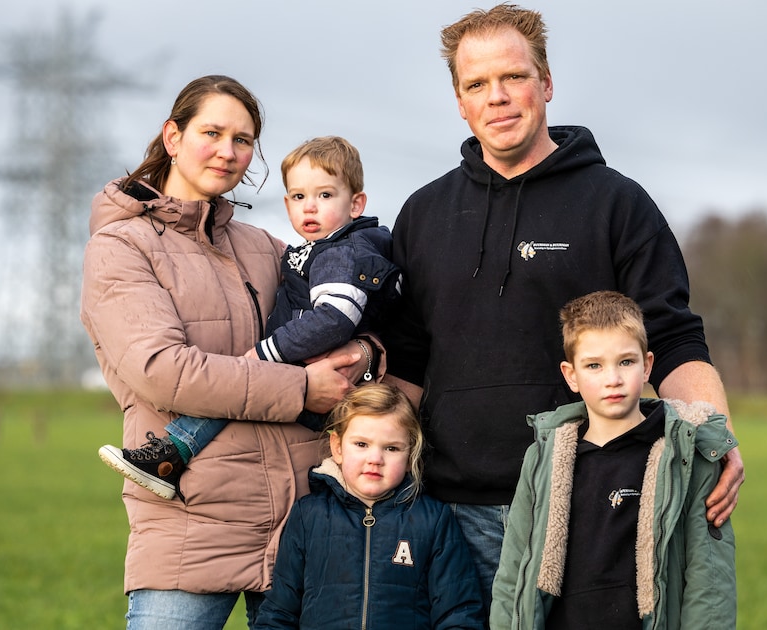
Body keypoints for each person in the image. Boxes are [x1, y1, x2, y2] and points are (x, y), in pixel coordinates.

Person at [381, 3, 745, 605]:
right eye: (477, 84)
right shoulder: (422, 214)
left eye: (513, 77)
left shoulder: (617, 205)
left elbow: (674, 339)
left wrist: (718, 434)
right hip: (448, 514)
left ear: (546, 83)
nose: (497, 97)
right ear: (459, 101)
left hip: (584, 505)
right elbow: (409, 362)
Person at [80, 75, 371, 629]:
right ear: (172, 136)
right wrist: (303, 389)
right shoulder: (120, 247)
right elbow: (164, 373)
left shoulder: (266, 247)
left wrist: (365, 353)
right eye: (212, 132)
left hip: (299, 526)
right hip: (190, 526)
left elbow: (350, 309)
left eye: (243, 140)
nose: (228, 151)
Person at [98, 135, 401, 500]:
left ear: (356, 204)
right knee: (238, 386)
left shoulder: (342, 251)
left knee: (240, 382)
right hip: (293, 389)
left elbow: (334, 319)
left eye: (325, 196)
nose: (310, 208)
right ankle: (171, 455)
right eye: (300, 197)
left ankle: (171, 454)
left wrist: (268, 353)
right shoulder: (305, 250)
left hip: (316, 380)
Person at [490, 291, 737, 628]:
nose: (613, 379)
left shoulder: (684, 455)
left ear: (647, 364)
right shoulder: (543, 458)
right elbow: (512, 570)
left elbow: (709, 581)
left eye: (626, 362)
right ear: (571, 374)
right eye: (594, 365)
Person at [252, 383, 484, 629]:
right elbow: (279, 613)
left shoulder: (434, 519)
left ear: (410, 456)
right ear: (337, 447)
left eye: (391, 448)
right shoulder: (308, 515)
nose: (375, 459)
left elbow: (459, 613)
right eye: (361, 444)